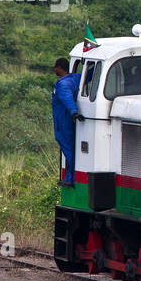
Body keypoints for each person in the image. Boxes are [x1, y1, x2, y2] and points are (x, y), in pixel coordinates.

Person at [52, 57, 82, 186]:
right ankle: (70, 177)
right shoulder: (75, 78)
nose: (54, 69)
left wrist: (73, 112)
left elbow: (67, 99)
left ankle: (71, 178)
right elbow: (89, 74)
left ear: (59, 67)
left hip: (63, 122)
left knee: (68, 150)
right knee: (70, 149)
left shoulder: (62, 84)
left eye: (55, 67)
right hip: (66, 120)